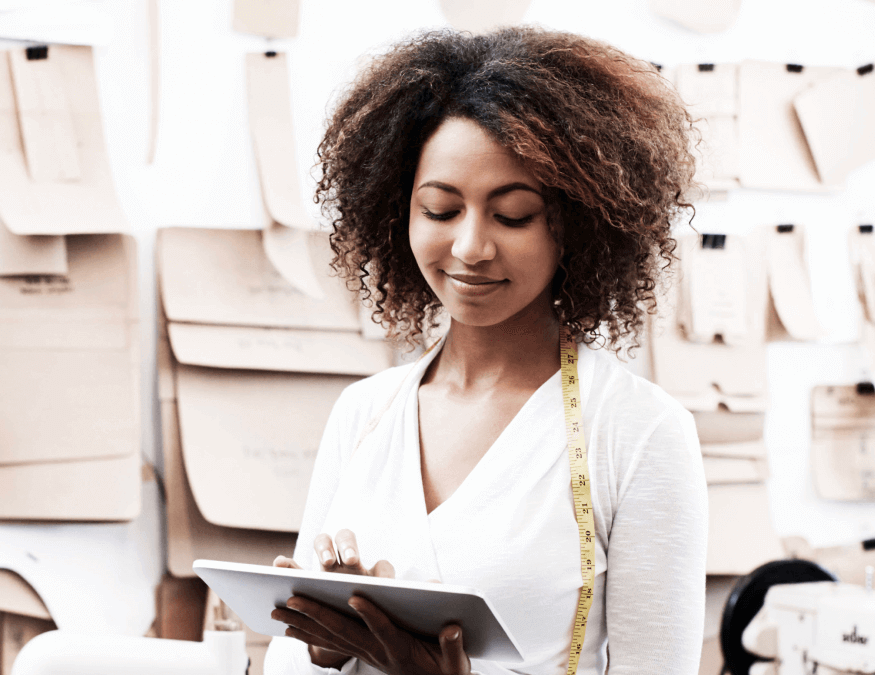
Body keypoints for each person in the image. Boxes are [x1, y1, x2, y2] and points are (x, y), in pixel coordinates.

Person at [261, 25, 708, 675]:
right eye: (440, 209)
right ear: (397, 211)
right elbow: (283, 666)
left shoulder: (637, 433)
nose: (470, 247)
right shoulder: (365, 413)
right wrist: (325, 647)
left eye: (513, 214)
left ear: (578, 222)